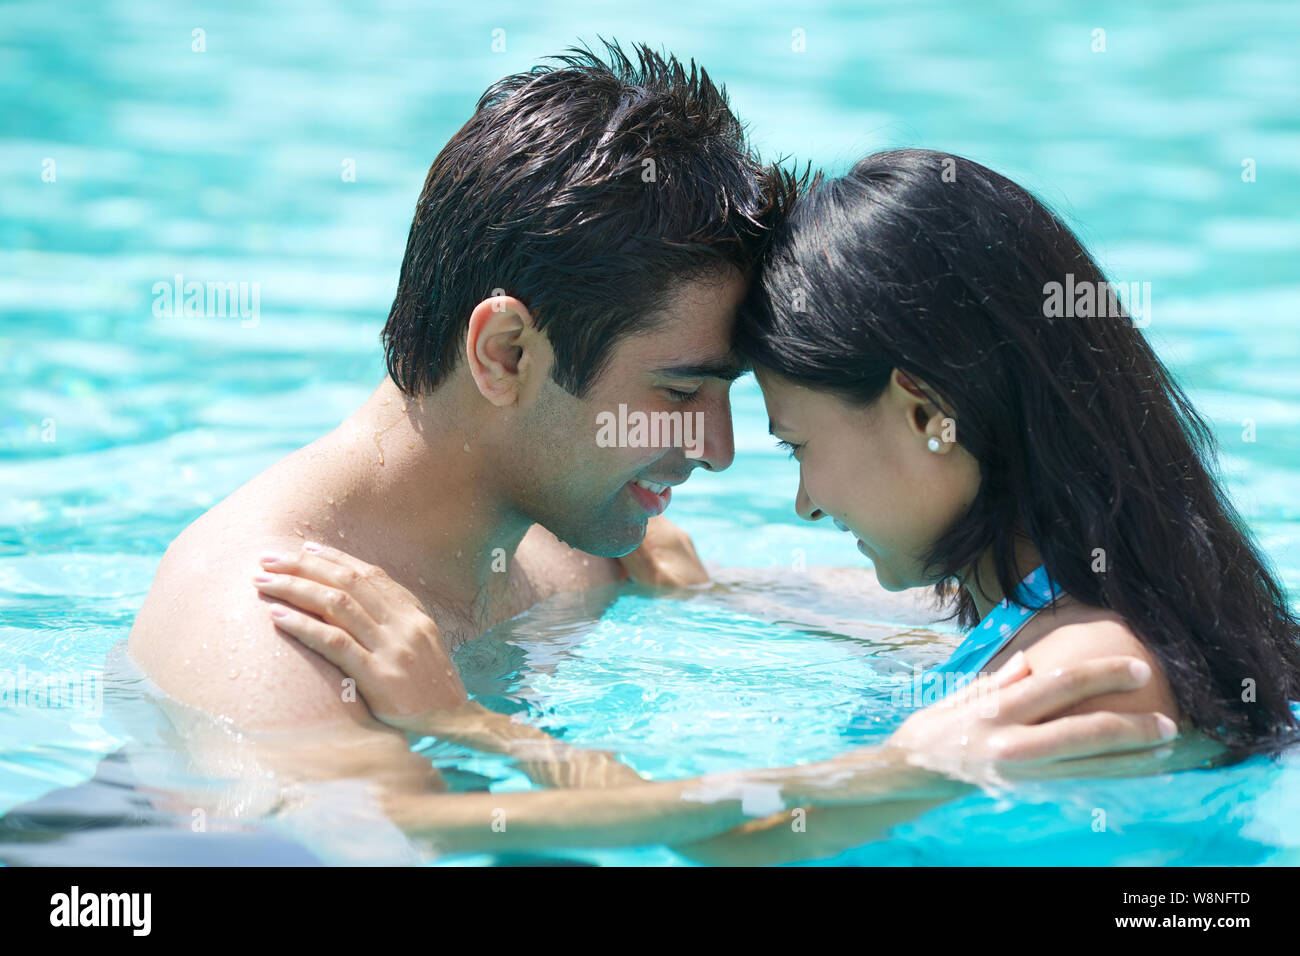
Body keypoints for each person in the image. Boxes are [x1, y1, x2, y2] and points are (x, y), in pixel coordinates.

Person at [128, 44, 1174, 858]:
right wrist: (896, 770)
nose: (717, 453)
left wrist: (710, 599)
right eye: (682, 391)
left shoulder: (574, 542)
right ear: (504, 351)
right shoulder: (277, 624)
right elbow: (390, 846)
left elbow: (954, 631)